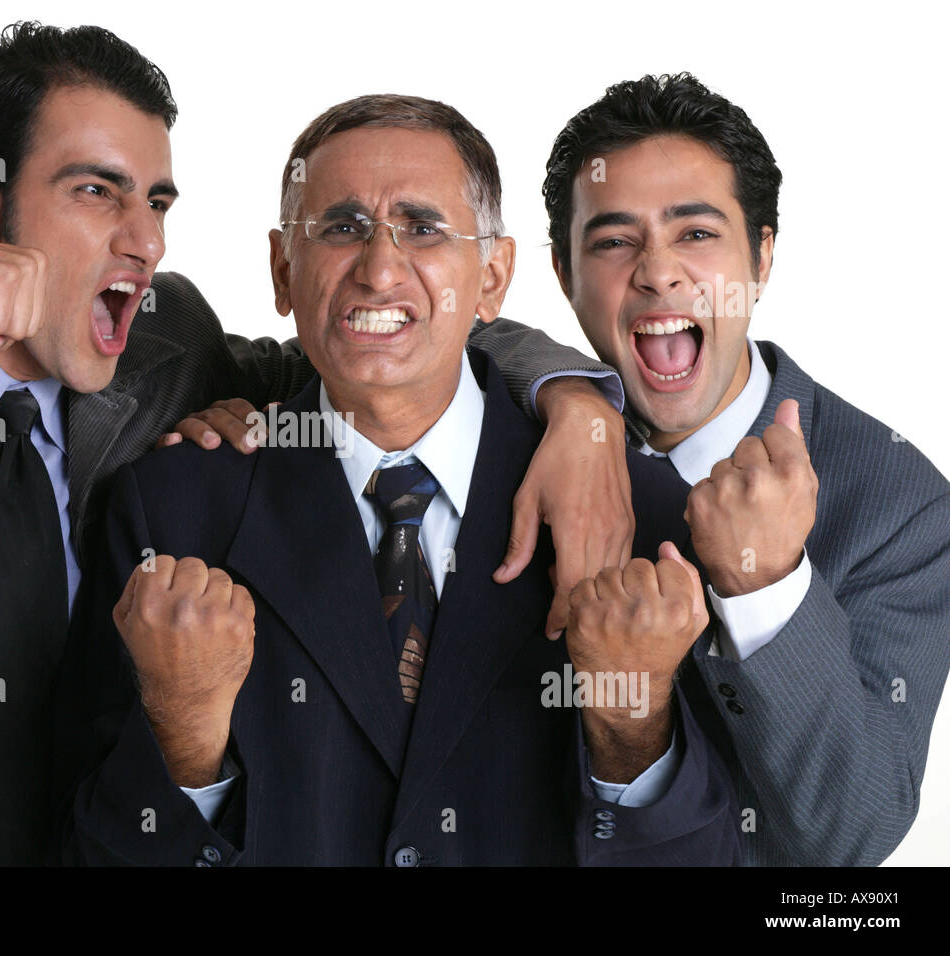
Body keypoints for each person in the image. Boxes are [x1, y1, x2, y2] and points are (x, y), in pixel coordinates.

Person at [0, 24, 633, 866]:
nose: (146, 241)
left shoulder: (162, 355)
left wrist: (576, 399)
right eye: (97, 192)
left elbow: (376, 335)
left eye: (156, 202)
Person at [62, 95, 742, 865]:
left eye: (422, 229)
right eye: (342, 228)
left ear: (492, 277)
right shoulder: (172, 508)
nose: (380, 269)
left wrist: (634, 721)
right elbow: (86, 849)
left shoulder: (646, 517)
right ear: (284, 270)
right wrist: (184, 735)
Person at [542, 72, 950, 865]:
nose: (658, 272)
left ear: (761, 258)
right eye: (614, 241)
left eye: (696, 234)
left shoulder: (904, 504)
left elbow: (850, 834)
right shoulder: (532, 426)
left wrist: (767, 586)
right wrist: (558, 388)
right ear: (564, 275)